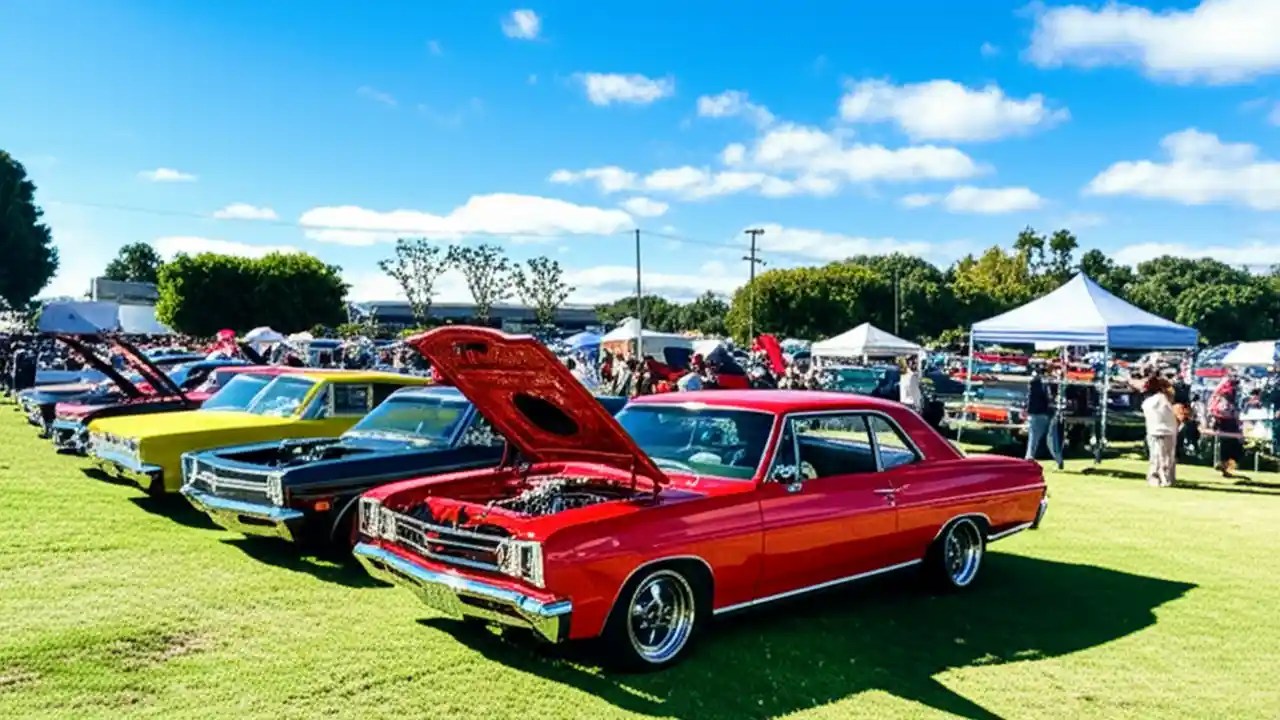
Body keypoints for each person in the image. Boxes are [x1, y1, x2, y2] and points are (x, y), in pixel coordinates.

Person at [1140, 374, 1178, 487]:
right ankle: (1162, 478)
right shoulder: (1162, 400)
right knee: (1164, 457)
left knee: (1156, 456)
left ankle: (1158, 477)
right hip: (1164, 431)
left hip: (1155, 431)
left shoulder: (1149, 402)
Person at [1024, 368, 1063, 468]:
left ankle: (1029, 458)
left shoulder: (1034, 384)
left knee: (1034, 438)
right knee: (1051, 439)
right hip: (1046, 413)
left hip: (1037, 414)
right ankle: (1058, 460)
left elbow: (1031, 401)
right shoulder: (1046, 383)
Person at [1209, 374, 1243, 478]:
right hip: (1228, 421)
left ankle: (1224, 466)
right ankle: (1224, 466)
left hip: (1221, 421)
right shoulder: (1228, 392)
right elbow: (1231, 409)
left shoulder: (1219, 392)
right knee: (1233, 446)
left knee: (1226, 446)